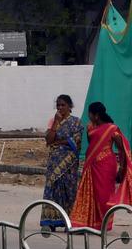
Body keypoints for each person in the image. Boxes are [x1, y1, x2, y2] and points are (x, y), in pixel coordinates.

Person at [73, 101, 132, 230]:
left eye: (90, 113)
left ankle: (104, 223)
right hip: (91, 164)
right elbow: (92, 144)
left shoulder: (111, 128)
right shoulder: (90, 127)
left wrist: (122, 168)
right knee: (91, 193)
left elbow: (121, 148)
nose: (88, 115)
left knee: (103, 195)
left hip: (106, 166)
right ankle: (88, 223)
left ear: (96, 115)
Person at [41, 95, 83, 230]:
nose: (60, 108)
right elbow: (48, 140)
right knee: (52, 188)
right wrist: (55, 124)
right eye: (58, 105)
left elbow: (76, 141)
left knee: (69, 190)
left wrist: (58, 142)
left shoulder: (76, 122)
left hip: (69, 162)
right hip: (54, 161)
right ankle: (51, 222)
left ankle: (69, 221)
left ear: (70, 107)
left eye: (63, 105)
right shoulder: (53, 121)